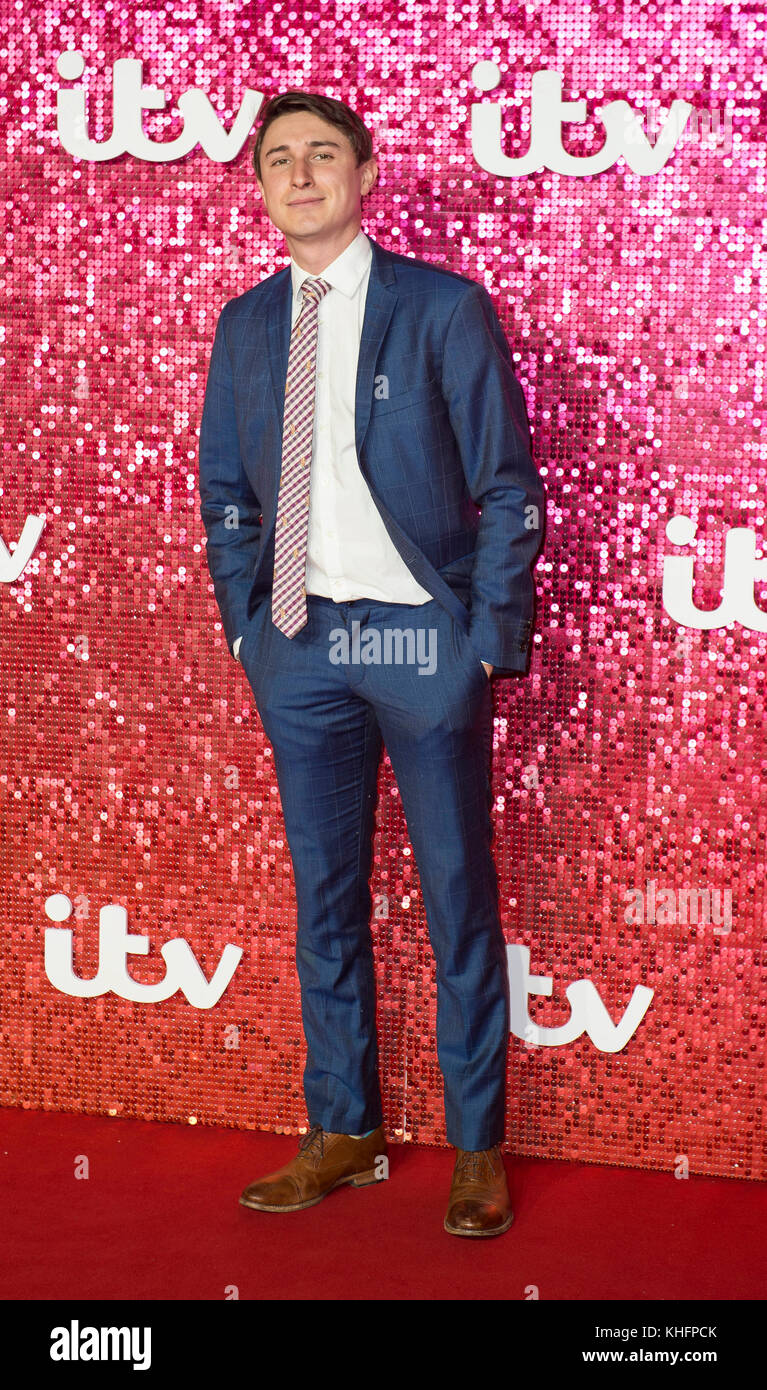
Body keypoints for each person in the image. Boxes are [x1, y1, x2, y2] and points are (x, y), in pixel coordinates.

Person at [198, 89, 545, 1237]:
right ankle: (343, 1128)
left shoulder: (440, 309)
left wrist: (477, 646)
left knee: (455, 897)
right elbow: (226, 495)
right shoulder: (245, 325)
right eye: (278, 160)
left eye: (321, 155)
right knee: (324, 898)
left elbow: (506, 489)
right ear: (259, 185)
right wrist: (252, 629)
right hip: (298, 646)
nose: (298, 175)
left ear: (364, 173)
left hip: (415, 643)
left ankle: (475, 1146)